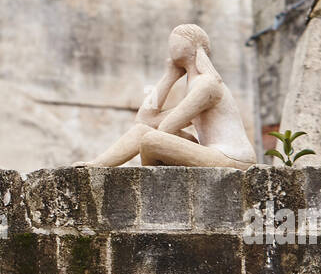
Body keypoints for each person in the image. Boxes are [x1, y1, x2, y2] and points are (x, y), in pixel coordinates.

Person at [79, 24, 256, 169]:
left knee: (151, 140)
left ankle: (150, 183)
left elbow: (165, 128)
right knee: (144, 132)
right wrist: (169, 76)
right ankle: (97, 166)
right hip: (212, 153)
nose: (171, 47)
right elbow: (144, 120)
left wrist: (156, 135)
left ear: (193, 47)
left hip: (233, 159)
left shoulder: (207, 84)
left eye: (176, 41)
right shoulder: (194, 84)